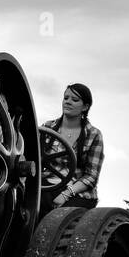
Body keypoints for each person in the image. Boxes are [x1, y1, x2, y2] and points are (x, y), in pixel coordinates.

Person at [39, 82, 104, 213]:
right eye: (66, 98)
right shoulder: (48, 127)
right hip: (47, 184)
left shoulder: (93, 134)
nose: (68, 102)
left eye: (74, 100)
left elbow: (91, 176)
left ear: (85, 107)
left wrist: (65, 194)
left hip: (77, 191)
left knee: (59, 214)